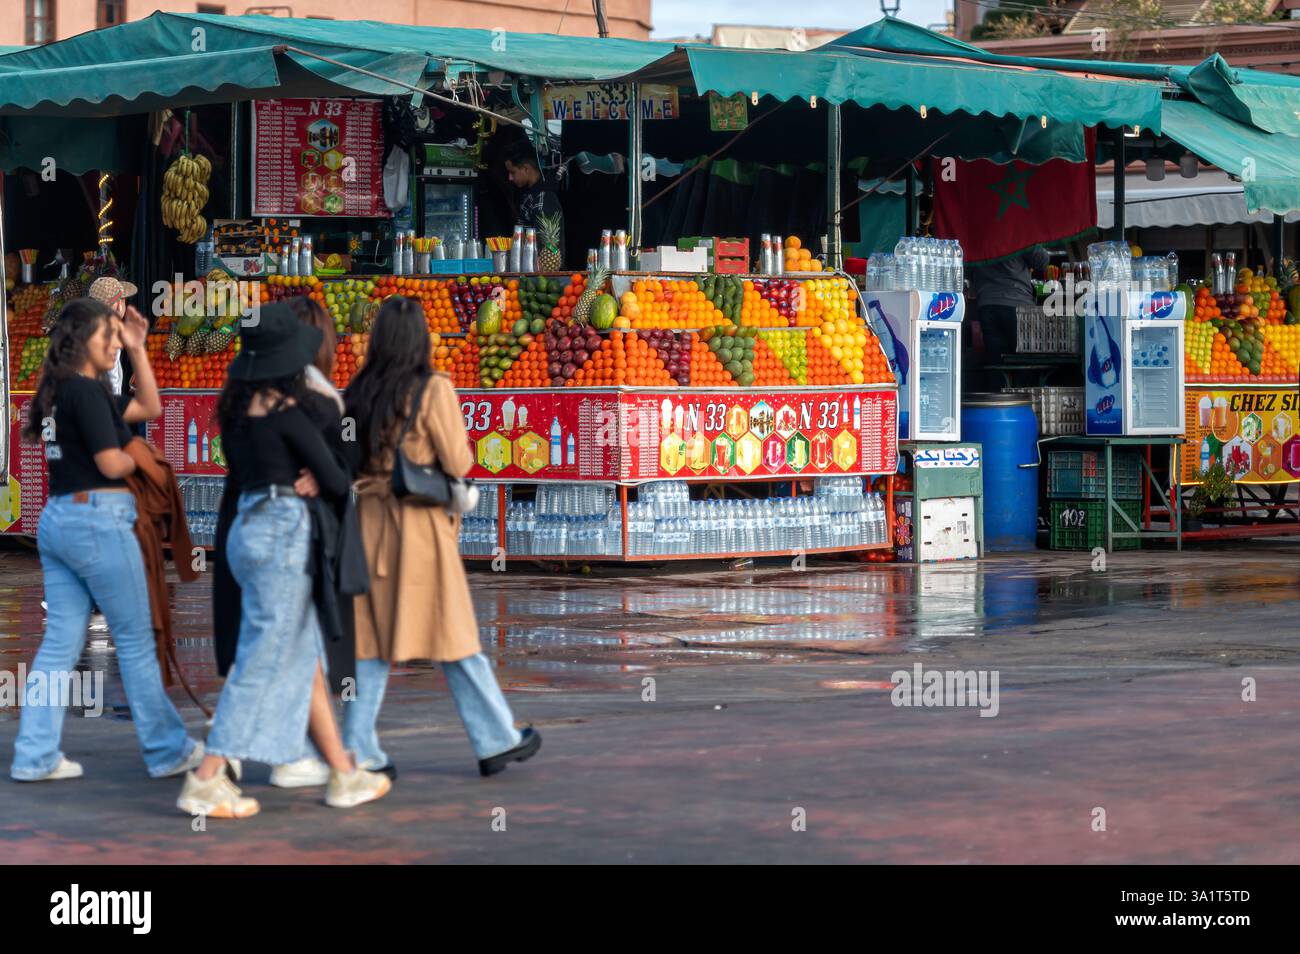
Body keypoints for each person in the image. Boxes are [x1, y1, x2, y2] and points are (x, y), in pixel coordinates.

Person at [179, 302, 390, 818]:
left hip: (244, 531)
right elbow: (339, 481)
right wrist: (321, 473)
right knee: (263, 657)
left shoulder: (233, 414)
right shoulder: (289, 415)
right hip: (282, 535)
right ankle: (207, 776)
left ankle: (343, 771)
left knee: (296, 653)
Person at [344, 296, 541, 777]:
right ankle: (495, 738)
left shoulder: (358, 390)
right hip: (419, 532)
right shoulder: (433, 389)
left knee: (370, 644)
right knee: (455, 637)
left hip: (368, 527)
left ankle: (356, 749)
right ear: (422, 340)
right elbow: (458, 463)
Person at [11, 298, 204, 782]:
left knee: (59, 644)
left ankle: (34, 755)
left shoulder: (60, 391)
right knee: (137, 639)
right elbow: (111, 463)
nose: (115, 342)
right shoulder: (86, 393)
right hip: (97, 521)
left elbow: (150, 406)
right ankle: (167, 750)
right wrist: (143, 456)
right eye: (109, 335)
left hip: (58, 520)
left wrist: (139, 350)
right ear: (83, 340)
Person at [966, 246, 1050, 389]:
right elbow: (1041, 261)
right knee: (1026, 364)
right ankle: (1026, 406)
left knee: (996, 366)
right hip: (1018, 304)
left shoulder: (978, 232)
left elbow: (967, 268)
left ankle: (1000, 407)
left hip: (987, 304)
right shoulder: (1015, 228)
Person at [502, 140, 564, 262]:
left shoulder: (544, 200)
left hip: (543, 270)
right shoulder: (530, 195)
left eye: (512, 172)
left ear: (526, 169)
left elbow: (551, 247)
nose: (509, 178)